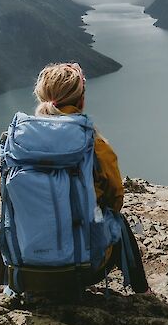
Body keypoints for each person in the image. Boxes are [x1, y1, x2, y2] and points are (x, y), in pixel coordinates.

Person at [31, 61, 149, 293]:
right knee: (120, 223)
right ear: (81, 100)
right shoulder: (95, 146)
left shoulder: (20, 142)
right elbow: (115, 200)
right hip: (79, 269)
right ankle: (142, 292)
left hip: (27, 268)